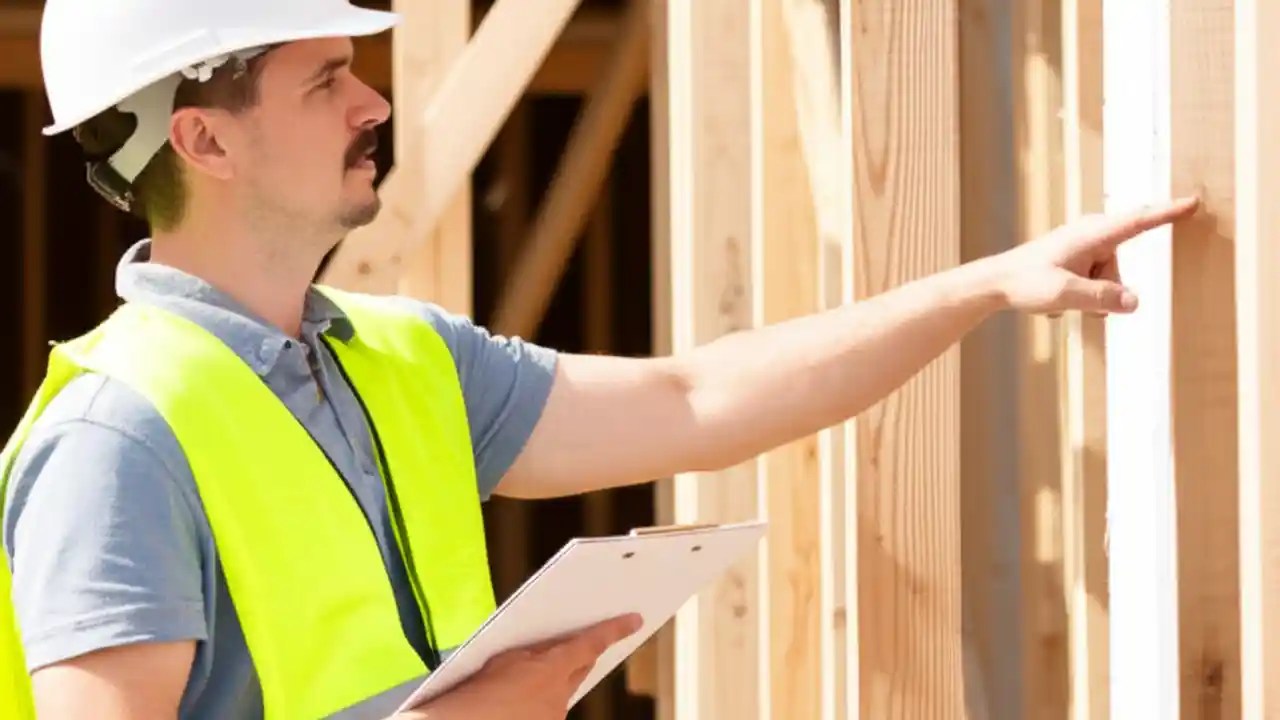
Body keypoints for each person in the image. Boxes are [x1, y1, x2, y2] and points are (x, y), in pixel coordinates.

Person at [0, 1, 1198, 719]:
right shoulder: (119, 437)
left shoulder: (398, 363)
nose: (372, 104)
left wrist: (984, 284)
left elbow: (696, 395)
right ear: (204, 137)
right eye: (325, 80)